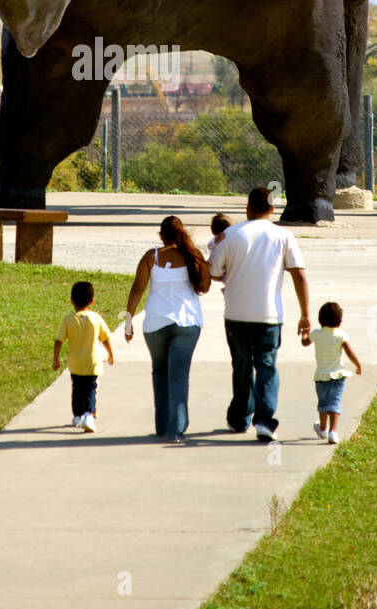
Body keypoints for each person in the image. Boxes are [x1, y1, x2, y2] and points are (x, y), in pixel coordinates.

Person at [209, 185, 310, 442]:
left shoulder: (229, 235)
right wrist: (305, 314)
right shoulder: (283, 235)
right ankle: (265, 421)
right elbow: (298, 272)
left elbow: (212, 271)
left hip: (236, 314)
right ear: (273, 208)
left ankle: (240, 417)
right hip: (269, 316)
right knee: (266, 367)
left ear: (248, 207)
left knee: (241, 366)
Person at [124, 215, 210, 443]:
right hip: (187, 323)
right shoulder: (194, 255)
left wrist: (128, 322)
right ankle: (176, 430)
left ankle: (162, 427)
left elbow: (136, 290)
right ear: (182, 234)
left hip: (155, 324)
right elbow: (205, 286)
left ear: (161, 236)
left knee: (160, 373)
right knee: (179, 376)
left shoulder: (151, 257)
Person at [53, 280, 113, 433]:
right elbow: (105, 338)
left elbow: (59, 340)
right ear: (92, 301)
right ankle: (88, 414)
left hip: (75, 363)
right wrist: (111, 354)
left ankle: (78, 415)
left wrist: (55, 359)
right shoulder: (96, 318)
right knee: (90, 389)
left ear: (72, 301)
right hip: (92, 362)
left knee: (77, 389)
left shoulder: (68, 319)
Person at [303, 300, 361, 445]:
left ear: (320, 319)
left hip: (320, 376)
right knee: (334, 403)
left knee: (323, 404)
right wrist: (357, 364)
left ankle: (322, 428)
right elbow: (349, 353)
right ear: (339, 321)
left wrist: (304, 333)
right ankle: (332, 431)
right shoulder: (341, 336)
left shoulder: (316, 334)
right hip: (337, 376)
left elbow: (304, 342)